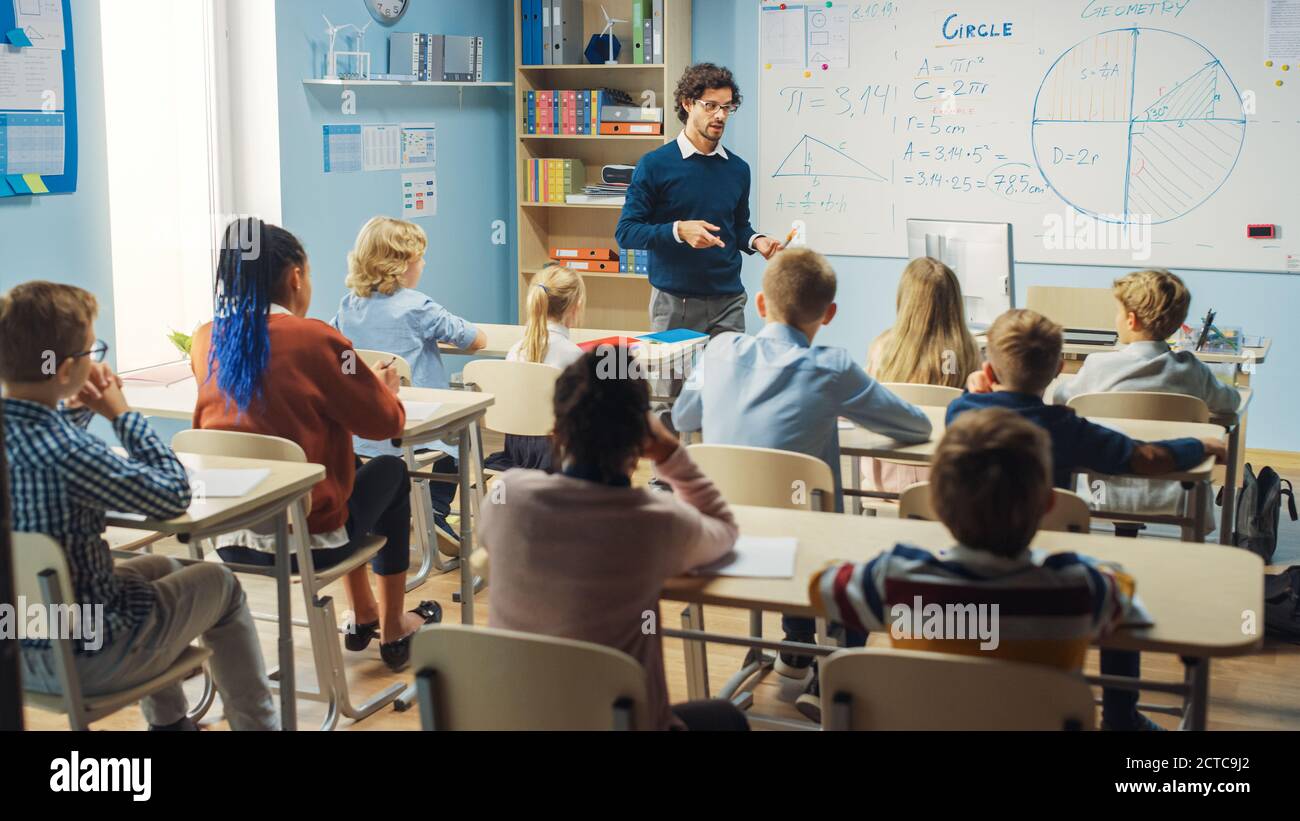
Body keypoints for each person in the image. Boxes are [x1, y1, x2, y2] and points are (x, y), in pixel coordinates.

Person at [3, 280, 277, 730]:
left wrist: (79, 409)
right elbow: (173, 495)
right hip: (88, 655)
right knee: (220, 581)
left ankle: (171, 724)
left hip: (17, 647)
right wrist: (123, 416)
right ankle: (259, 726)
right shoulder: (69, 452)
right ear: (68, 368)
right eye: (93, 351)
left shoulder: (42, 439)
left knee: (163, 569)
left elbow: (52, 446)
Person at [192, 219, 439, 671]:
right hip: (310, 539)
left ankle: (364, 614)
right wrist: (385, 389)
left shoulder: (205, 338)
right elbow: (385, 423)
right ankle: (391, 626)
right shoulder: (315, 339)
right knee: (390, 472)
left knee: (347, 475)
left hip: (228, 534)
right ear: (296, 277)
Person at [480, 347, 748, 731]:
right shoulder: (657, 522)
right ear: (642, 437)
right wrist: (671, 453)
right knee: (726, 718)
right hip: (620, 721)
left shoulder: (506, 498)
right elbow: (724, 528)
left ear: (556, 428)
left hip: (519, 718)